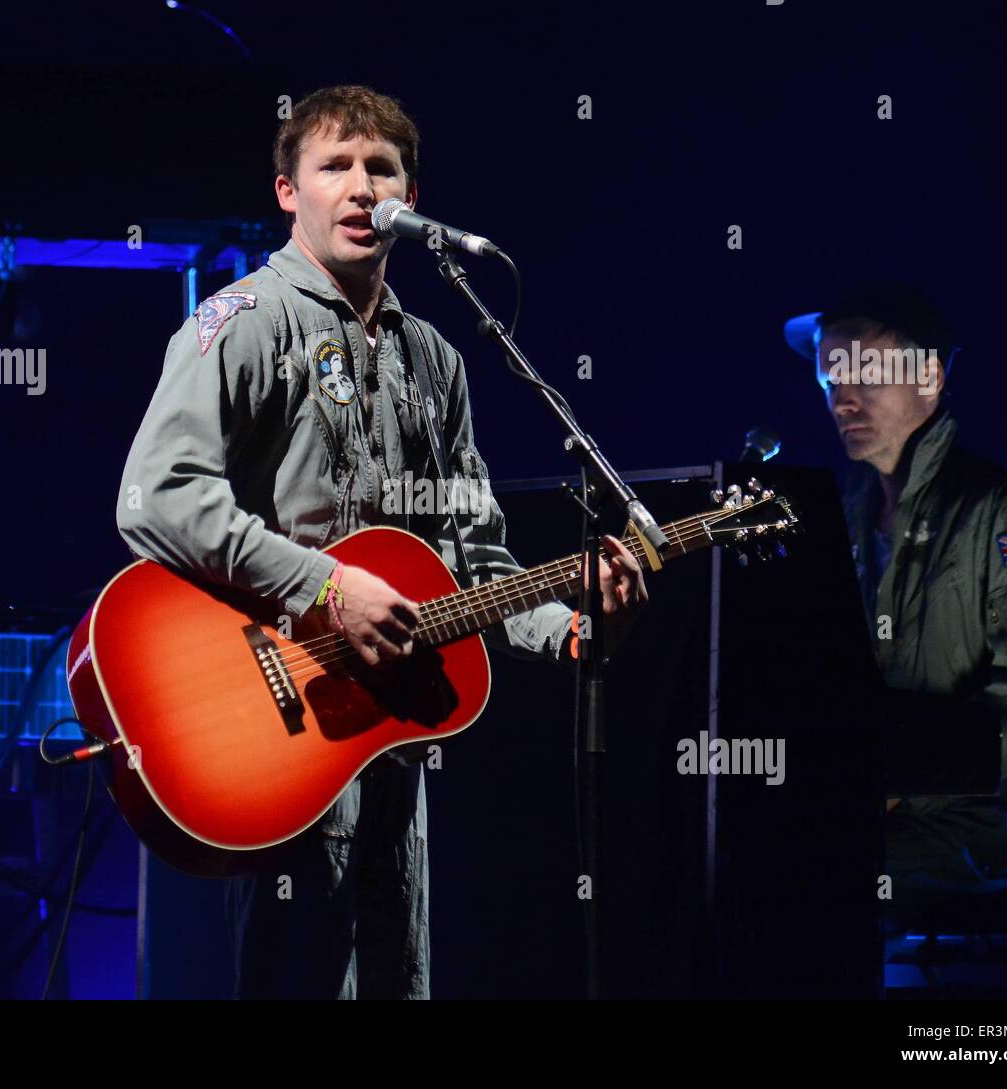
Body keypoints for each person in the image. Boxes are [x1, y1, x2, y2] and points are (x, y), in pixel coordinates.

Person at [116, 84, 647, 998]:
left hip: (385, 735)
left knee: (397, 975)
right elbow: (155, 495)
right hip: (264, 717)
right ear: (288, 191)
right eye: (334, 167)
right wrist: (325, 587)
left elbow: (477, 559)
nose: (362, 188)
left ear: (409, 193)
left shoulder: (435, 359)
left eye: (382, 169)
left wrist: (573, 623)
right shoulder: (242, 322)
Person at [784, 283, 1007, 904]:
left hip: (979, 827)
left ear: (930, 378)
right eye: (829, 379)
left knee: (810, 880)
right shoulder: (843, 520)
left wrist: (906, 780)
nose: (842, 400)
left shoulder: (1004, 508)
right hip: (869, 819)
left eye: (865, 373)